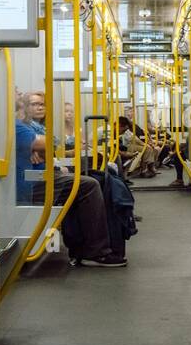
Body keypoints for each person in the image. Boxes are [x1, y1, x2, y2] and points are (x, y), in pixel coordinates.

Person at [15, 108, 126, 268]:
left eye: (41, 104)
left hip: (46, 172)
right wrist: (39, 147)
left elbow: (51, 143)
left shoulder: (29, 126)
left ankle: (82, 248)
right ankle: (95, 251)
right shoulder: (17, 126)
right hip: (33, 181)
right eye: (32, 105)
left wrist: (40, 148)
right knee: (88, 185)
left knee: (97, 176)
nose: (38, 108)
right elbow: (49, 143)